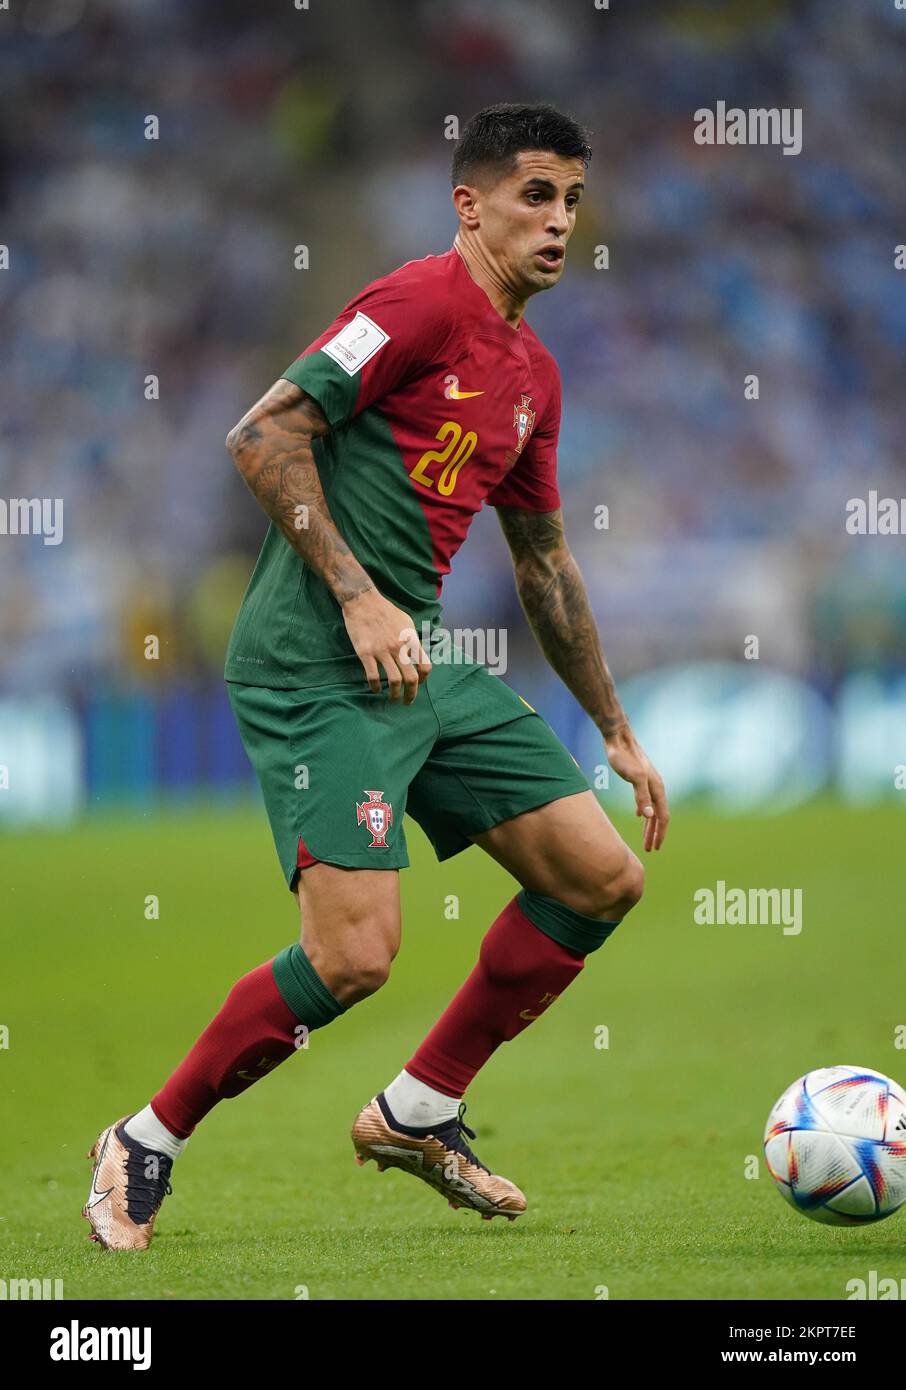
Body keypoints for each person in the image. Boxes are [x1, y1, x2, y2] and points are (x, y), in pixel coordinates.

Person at [83, 102, 669, 1250]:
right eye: (536, 196)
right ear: (471, 204)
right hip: (313, 664)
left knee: (600, 876)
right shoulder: (416, 302)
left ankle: (420, 1109)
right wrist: (356, 594)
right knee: (353, 956)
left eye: (573, 202)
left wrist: (616, 727)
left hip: (418, 661)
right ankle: (144, 1137)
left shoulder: (533, 374)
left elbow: (544, 558)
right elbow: (262, 435)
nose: (559, 224)